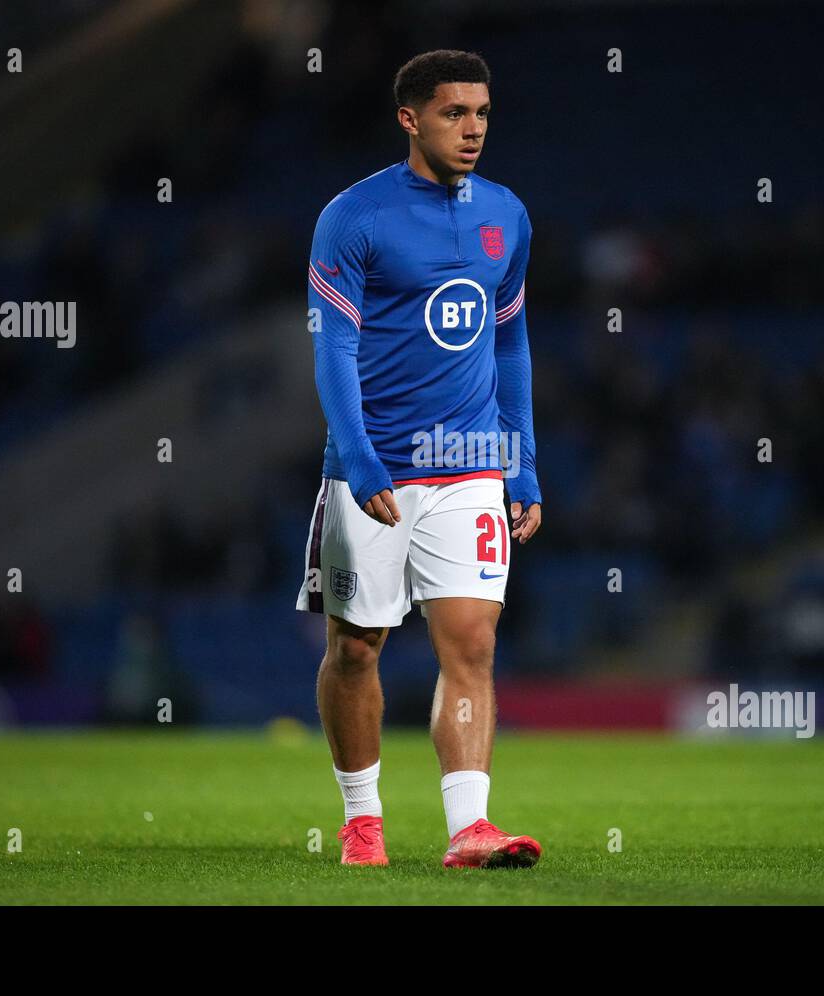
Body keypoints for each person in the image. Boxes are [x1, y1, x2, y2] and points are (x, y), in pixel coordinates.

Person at [295, 50, 543, 868]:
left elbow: (509, 343)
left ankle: (470, 828)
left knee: (470, 645)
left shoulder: (506, 214)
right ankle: (363, 821)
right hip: (377, 471)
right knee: (357, 646)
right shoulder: (354, 217)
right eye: (452, 114)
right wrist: (360, 460)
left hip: (470, 464)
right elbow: (333, 349)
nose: (472, 129)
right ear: (410, 118)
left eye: (482, 113)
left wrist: (522, 461)